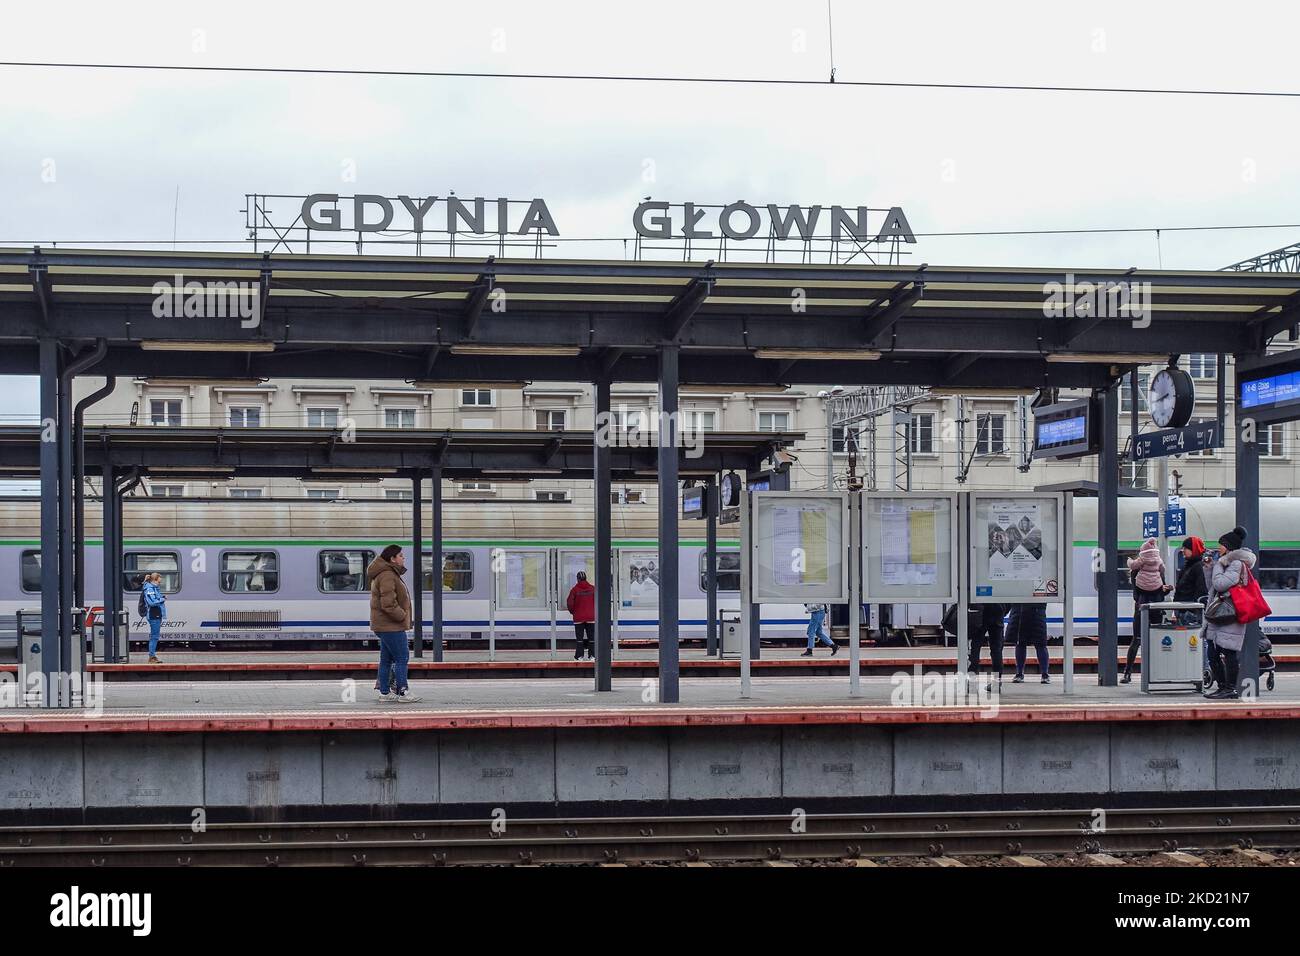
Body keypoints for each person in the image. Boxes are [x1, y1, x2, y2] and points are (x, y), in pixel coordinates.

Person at [1204, 526, 1257, 700]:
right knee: (1213, 651)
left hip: (1230, 614)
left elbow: (1220, 585)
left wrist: (1218, 565)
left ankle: (1230, 688)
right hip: (1220, 613)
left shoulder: (1235, 563)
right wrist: (1209, 567)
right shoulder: (1226, 563)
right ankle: (1222, 687)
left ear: (1228, 546)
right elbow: (1212, 586)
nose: (1218, 548)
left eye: (1221, 545)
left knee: (1228, 652)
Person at [367, 545, 422, 703]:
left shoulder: (387, 574)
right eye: (401, 555)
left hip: (385, 625)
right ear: (392, 558)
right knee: (402, 657)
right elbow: (388, 604)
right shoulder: (388, 575)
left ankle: (384, 692)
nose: (403, 558)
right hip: (390, 625)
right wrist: (402, 616)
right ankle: (403, 692)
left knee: (386, 659)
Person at [1121, 539, 1168, 683]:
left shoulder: (1137, 570)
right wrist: (1164, 590)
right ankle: (1156, 673)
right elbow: (1162, 590)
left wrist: (1139, 599)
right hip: (1157, 608)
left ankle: (1127, 673)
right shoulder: (1160, 567)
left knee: (1136, 640)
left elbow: (1135, 592)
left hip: (1141, 607)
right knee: (1156, 641)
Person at [1007, 603, 1049, 684]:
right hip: (1034, 612)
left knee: (1038, 644)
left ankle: (1020, 674)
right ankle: (1044, 674)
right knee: (1026, 643)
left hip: (1021, 611)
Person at [968, 602, 1006, 688]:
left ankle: (971, 680)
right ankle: (997, 681)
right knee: (996, 649)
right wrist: (1003, 609)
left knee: (975, 647)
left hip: (980, 611)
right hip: (998, 610)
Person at [566, 570, 596, 661]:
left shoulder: (574, 590)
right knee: (592, 637)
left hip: (578, 618)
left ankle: (579, 656)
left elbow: (570, 603)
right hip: (591, 617)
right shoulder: (593, 589)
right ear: (586, 578)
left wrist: (573, 612)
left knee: (579, 638)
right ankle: (592, 656)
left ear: (578, 579)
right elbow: (598, 602)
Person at [142, 572, 166, 663]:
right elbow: (152, 602)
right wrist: (162, 599)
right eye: (159, 582)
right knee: (154, 636)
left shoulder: (153, 588)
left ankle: (152, 656)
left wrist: (161, 597)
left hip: (156, 614)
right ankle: (151, 657)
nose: (159, 583)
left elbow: (155, 599)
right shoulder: (149, 589)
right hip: (153, 614)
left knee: (155, 636)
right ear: (154, 580)